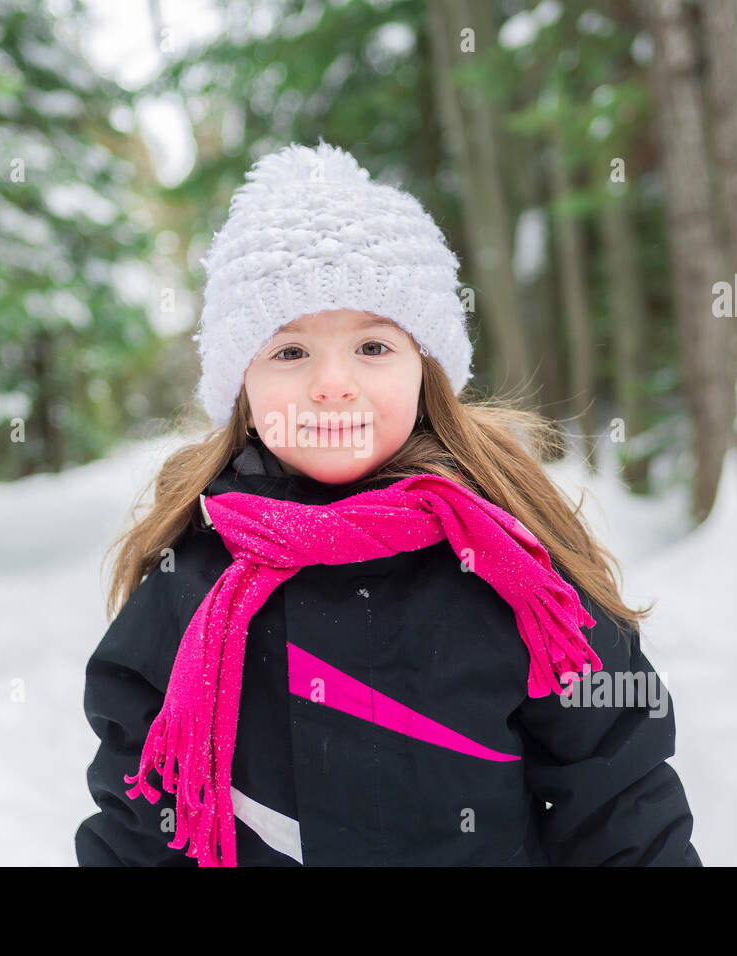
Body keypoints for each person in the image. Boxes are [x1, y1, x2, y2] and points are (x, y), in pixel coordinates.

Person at [75, 139, 701, 867]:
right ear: (241, 386)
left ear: (425, 368)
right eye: (289, 352)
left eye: (373, 347)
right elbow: (135, 823)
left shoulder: (514, 568)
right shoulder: (189, 582)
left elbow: (619, 801)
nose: (333, 383)